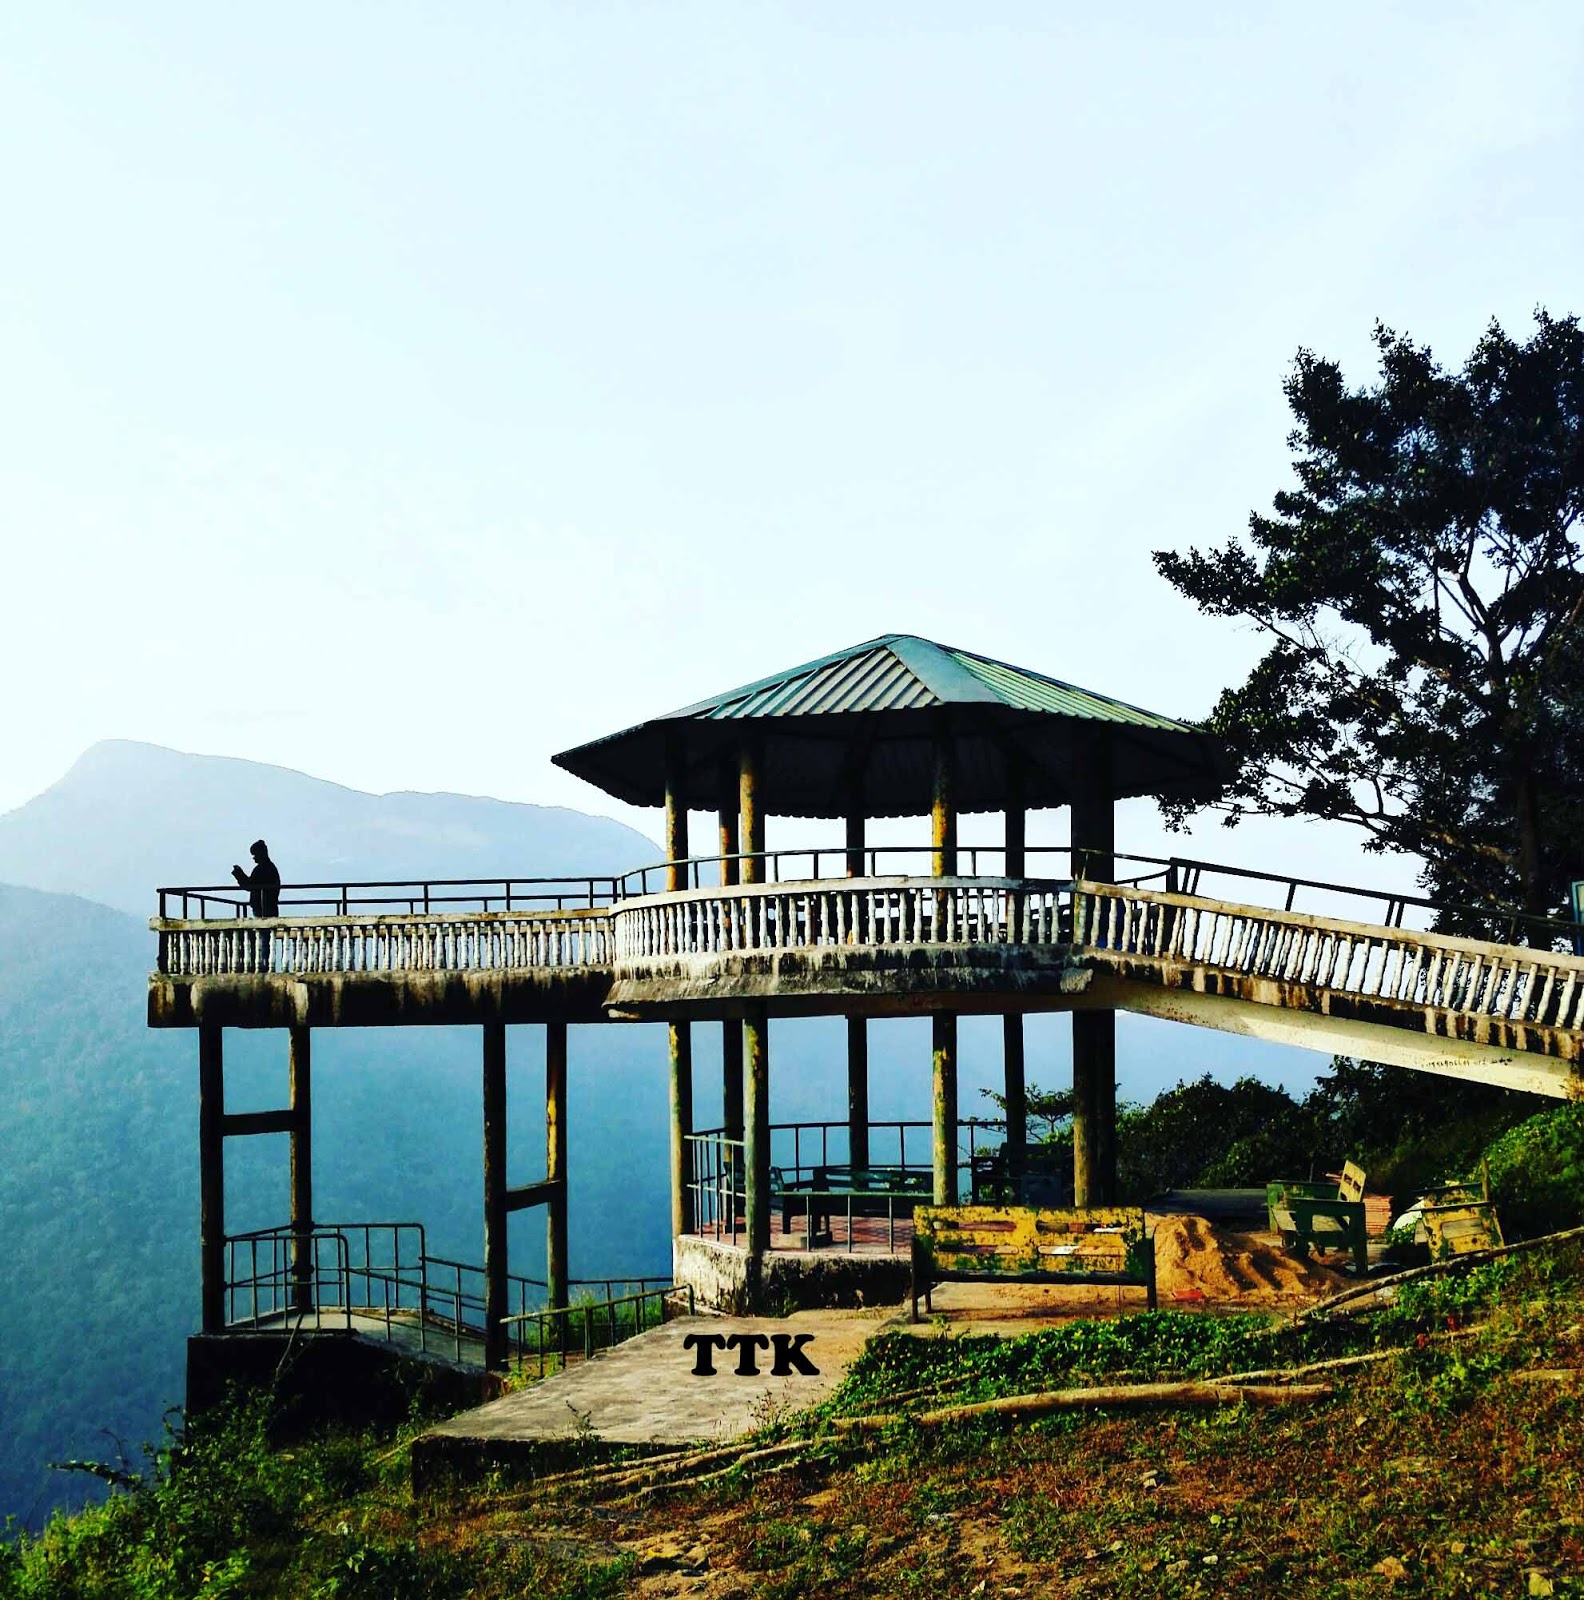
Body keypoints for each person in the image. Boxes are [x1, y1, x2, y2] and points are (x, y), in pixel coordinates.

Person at [232, 839, 282, 918]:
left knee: (263, 928)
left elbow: (249, 885)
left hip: (263, 908)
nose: (254, 858)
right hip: (268, 907)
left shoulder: (262, 868)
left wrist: (239, 874)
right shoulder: (269, 867)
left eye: (254, 855)